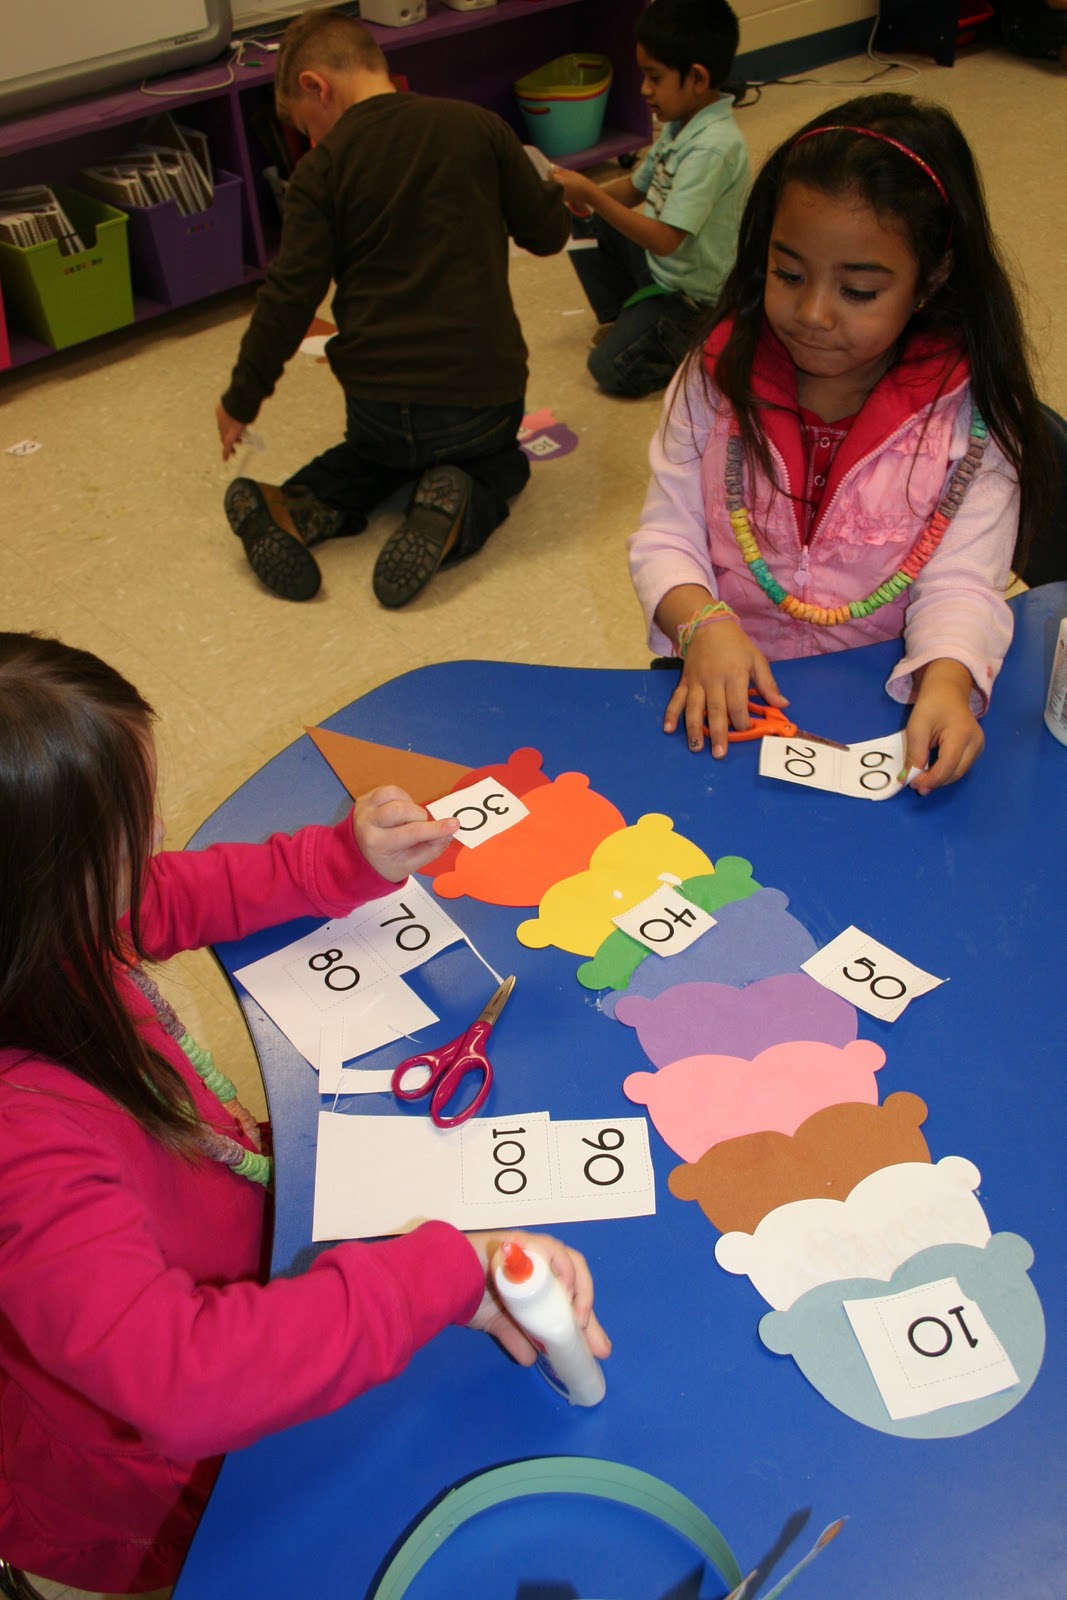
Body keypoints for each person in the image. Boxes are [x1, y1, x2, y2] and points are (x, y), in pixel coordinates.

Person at [0, 632, 610, 1596]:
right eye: (131, 835)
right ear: (47, 882)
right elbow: (185, 1386)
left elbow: (170, 896)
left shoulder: (45, 926)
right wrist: (443, 1271)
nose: (155, 851)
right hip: (155, 1473)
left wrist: (339, 861)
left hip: (214, 1233)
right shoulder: (22, 1145)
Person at [628, 92, 1057, 794]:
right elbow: (664, 535)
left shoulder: (971, 418)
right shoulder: (714, 375)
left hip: (882, 695)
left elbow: (960, 581)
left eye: (858, 290)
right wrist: (699, 623)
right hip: (721, 680)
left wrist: (945, 681)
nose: (811, 314)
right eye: (787, 273)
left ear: (931, 280)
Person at [215, 11, 570, 608]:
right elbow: (546, 234)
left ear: (316, 87)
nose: (312, 141)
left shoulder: (319, 173)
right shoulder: (477, 127)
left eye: (307, 127)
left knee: (366, 463)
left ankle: (293, 506)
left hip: (377, 412)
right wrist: (556, 196)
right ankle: (456, 502)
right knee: (503, 464)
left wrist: (240, 399)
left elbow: (289, 296)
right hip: (478, 402)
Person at [550, 0, 749, 399]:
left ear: (696, 78)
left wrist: (591, 193)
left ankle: (694, 343)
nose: (644, 89)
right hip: (662, 270)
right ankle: (625, 316)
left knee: (608, 369)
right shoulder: (680, 123)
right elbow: (636, 189)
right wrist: (577, 196)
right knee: (581, 216)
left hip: (693, 299)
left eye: (654, 78)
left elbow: (664, 239)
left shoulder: (713, 147)